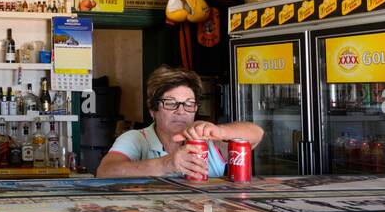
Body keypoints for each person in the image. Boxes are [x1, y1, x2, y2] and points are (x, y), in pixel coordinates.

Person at [96, 65, 263, 179]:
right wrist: (167, 164)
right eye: (170, 103)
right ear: (152, 109)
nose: (181, 110)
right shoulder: (136, 139)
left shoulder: (208, 141)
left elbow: (256, 133)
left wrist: (220, 132)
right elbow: (105, 172)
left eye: (189, 104)